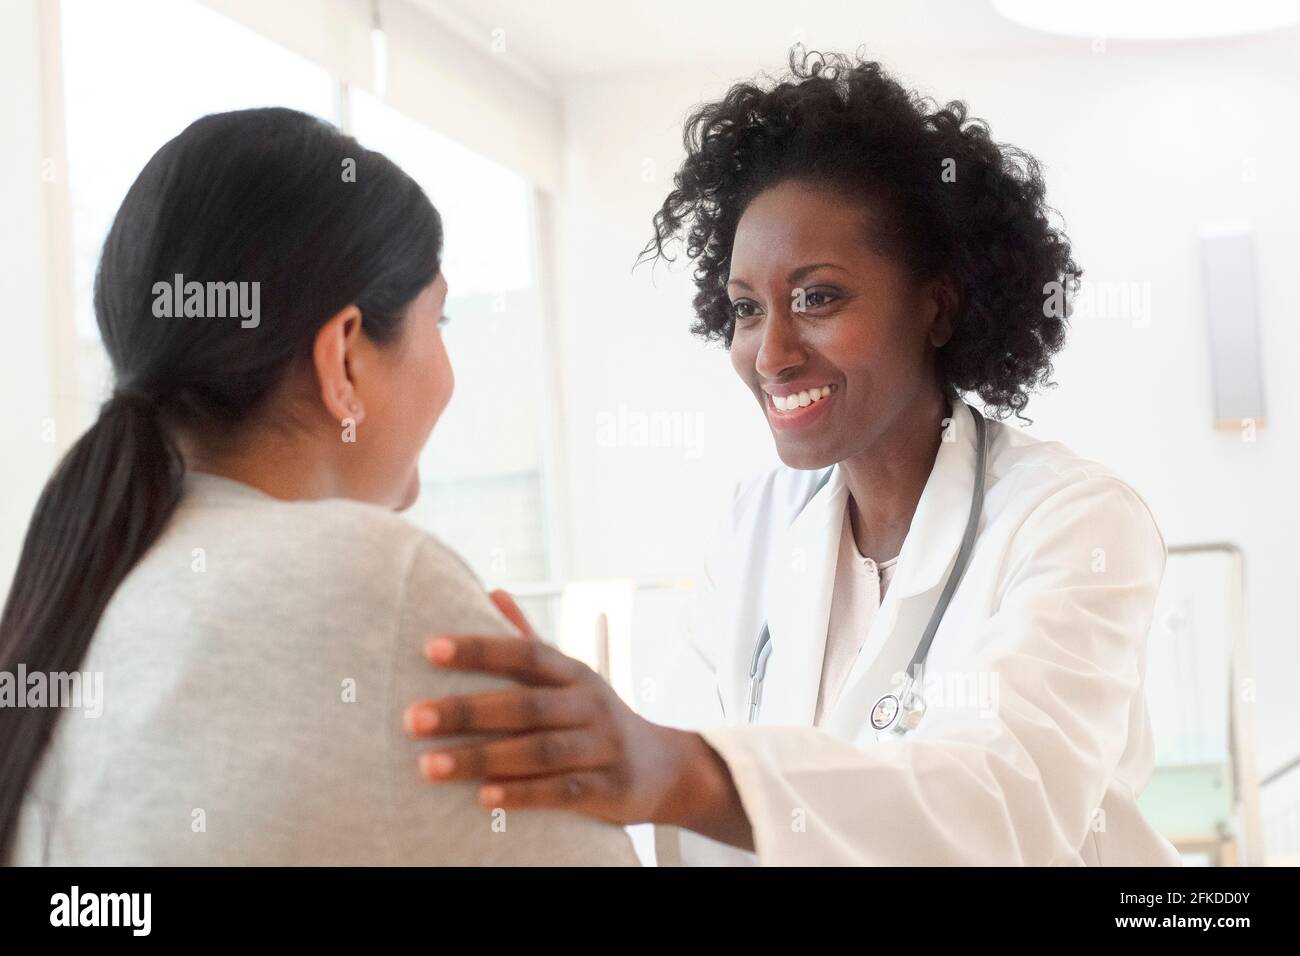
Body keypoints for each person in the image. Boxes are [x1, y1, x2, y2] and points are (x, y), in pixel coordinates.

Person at [402, 51, 1182, 866]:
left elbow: (1000, 809)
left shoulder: (1073, 520)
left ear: (938, 306)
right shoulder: (759, 524)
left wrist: (681, 770)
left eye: (817, 297)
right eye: (745, 309)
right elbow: (672, 815)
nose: (770, 353)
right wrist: (563, 759)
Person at [0, 108, 636, 866]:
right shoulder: (375, 576)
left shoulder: (84, 579)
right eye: (440, 320)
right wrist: (602, 768)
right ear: (343, 360)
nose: (447, 372)